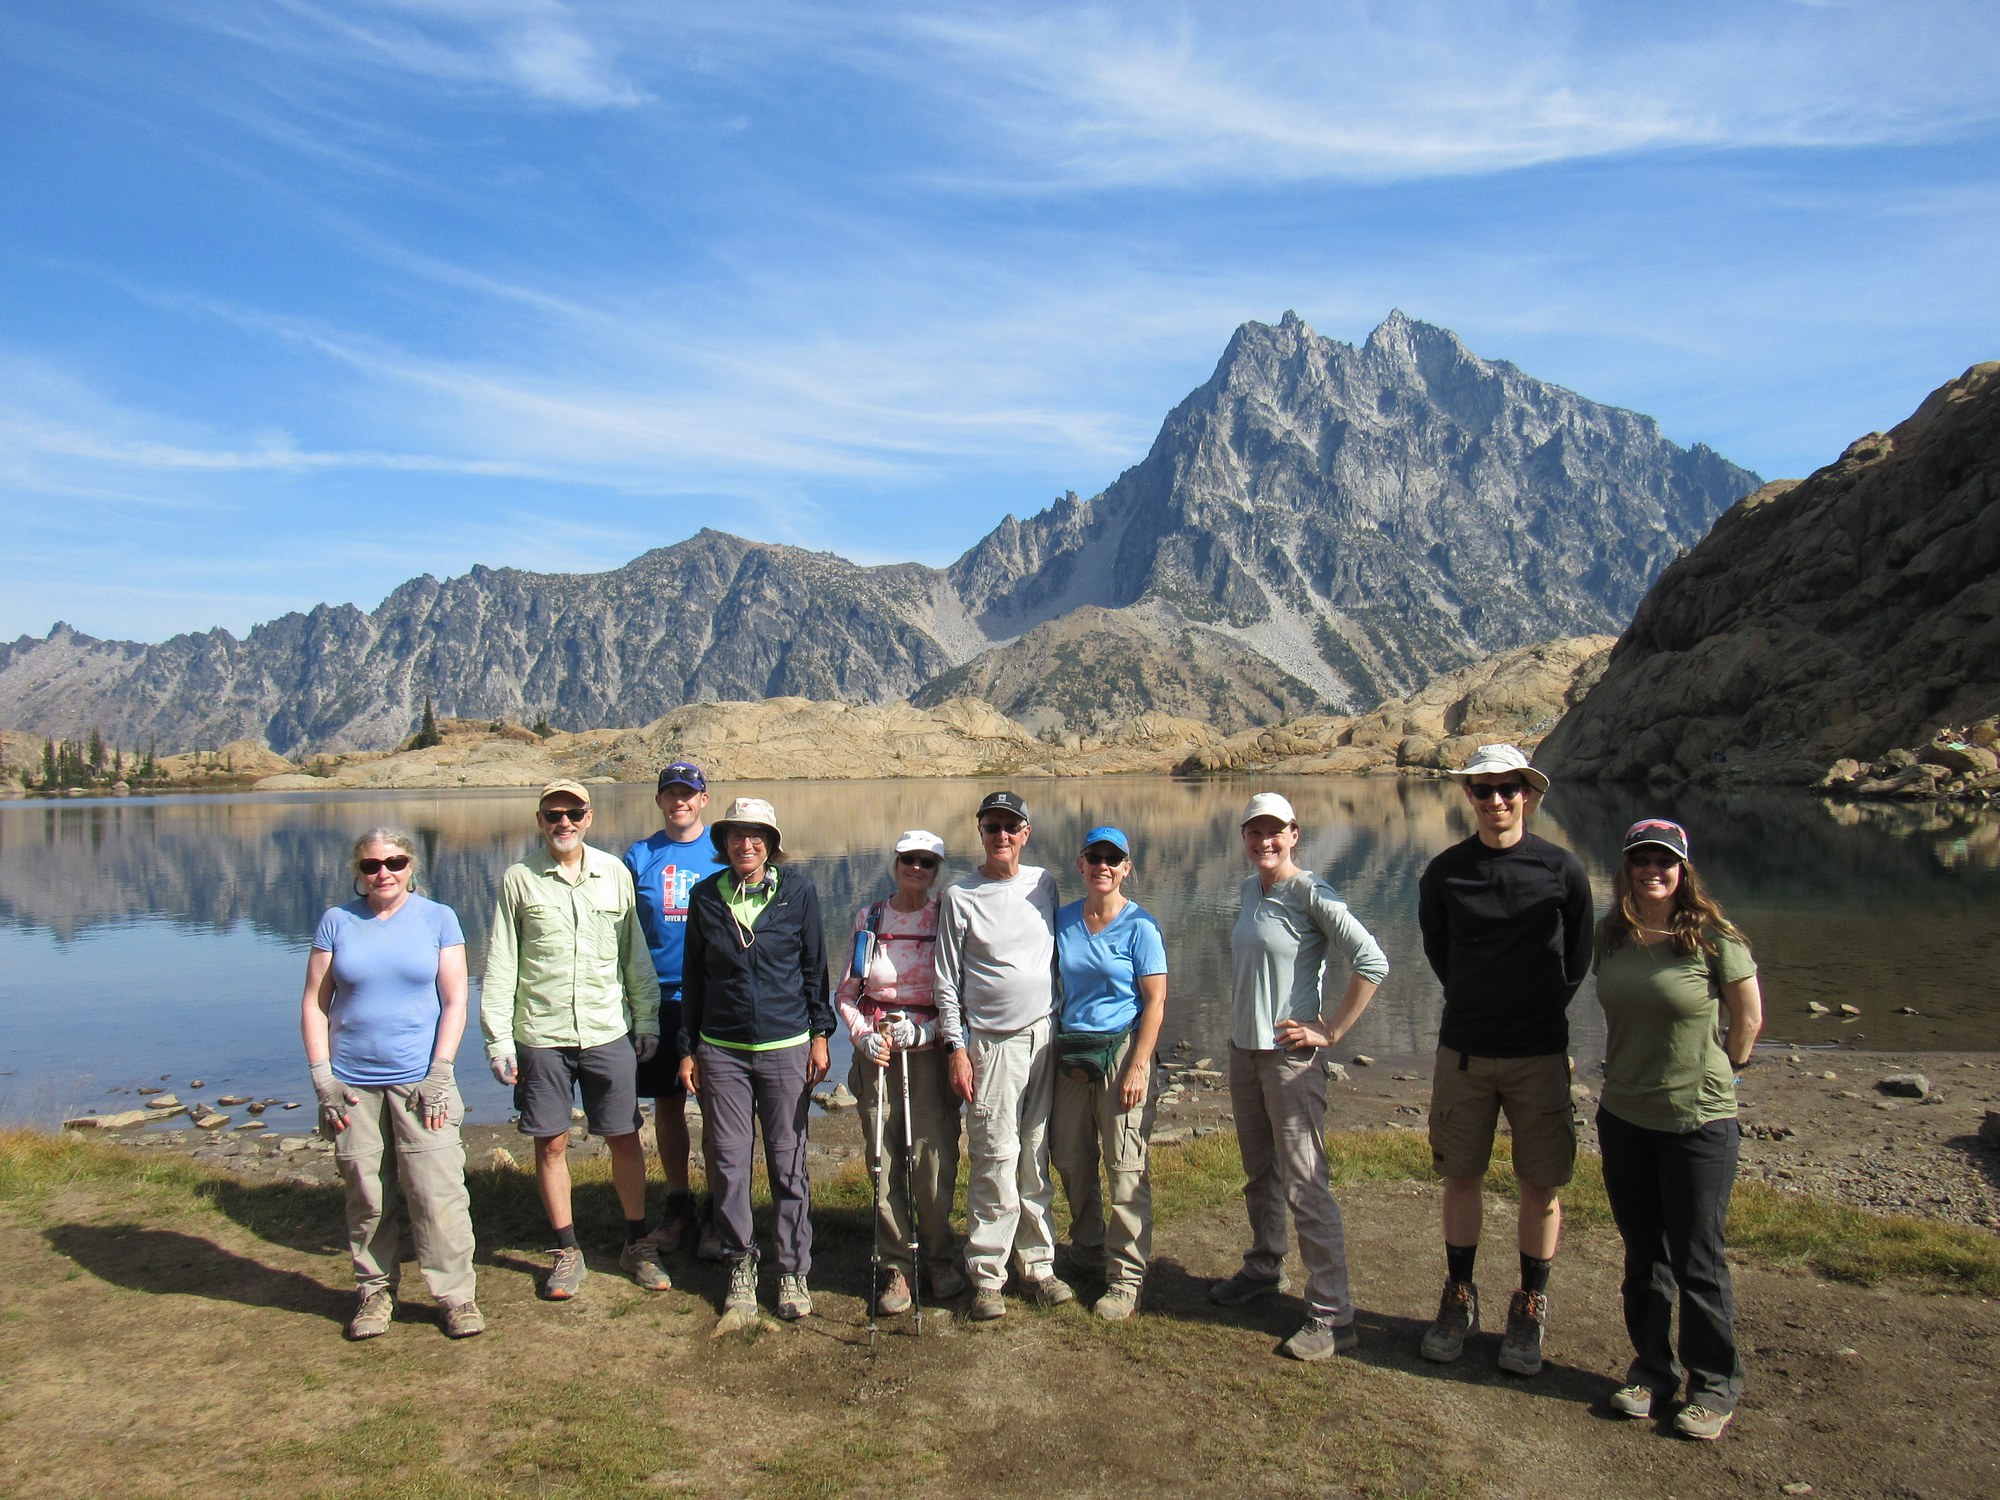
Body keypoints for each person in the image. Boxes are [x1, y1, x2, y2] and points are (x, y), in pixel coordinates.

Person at [1417, 743, 1594, 1376]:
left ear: (1528, 794)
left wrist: (1541, 1007)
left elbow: (1579, 956)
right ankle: (1460, 1293)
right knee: (1460, 1174)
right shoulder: (1444, 873)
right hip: (1465, 1049)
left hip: (1539, 1052)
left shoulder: (1562, 870)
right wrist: (1476, 999)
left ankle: (1530, 1302)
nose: (1496, 800)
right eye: (1484, 789)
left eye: (1508, 789)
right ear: (1469, 796)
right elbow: (1439, 951)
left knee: (1540, 1183)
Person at [1594, 819, 1763, 1441]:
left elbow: (1747, 1016)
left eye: (1664, 861)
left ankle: (1714, 1383)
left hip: (1699, 1121)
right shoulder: (1609, 936)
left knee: (1699, 1257)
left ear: (1683, 869)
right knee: (1644, 1256)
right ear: (1627, 868)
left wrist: (1727, 1076)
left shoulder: (1715, 938)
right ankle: (1651, 1371)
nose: (1652, 871)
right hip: (1626, 1115)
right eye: (1641, 860)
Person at [1209, 793, 1390, 1360]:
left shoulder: (1310, 892)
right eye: (1254, 832)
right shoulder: (1248, 889)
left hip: (1289, 1059)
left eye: (1275, 832)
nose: (1264, 842)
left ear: (1293, 835)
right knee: (1259, 1173)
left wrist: (1329, 1031)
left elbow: (1372, 960)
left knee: (1306, 1180)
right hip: (1245, 1052)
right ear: (1244, 838)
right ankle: (1265, 1265)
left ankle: (1333, 1314)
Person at [481, 780, 663, 1300]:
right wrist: (498, 1040)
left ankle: (636, 1243)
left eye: (574, 813)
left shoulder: (614, 875)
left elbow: (635, 955)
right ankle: (566, 1250)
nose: (564, 822)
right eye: (553, 814)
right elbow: (502, 963)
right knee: (551, 1140)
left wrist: (646, 1020)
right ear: (540, 820)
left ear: (589, 818)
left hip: (608, 1028)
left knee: (624, 1134)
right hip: (541, 1031)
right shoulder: (519, 880)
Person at [302, 828, 482, 1340]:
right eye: (371, 865)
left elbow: (455, 1000)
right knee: (366, 1193)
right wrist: (322, 1078)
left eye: (395, 862)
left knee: (437, 1191)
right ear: (357, 872)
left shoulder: (439, 918)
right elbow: (315, 1002)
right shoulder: (336, 922)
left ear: (412, 866)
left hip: (421, 1084)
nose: (383, 873)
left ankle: (455, 1296)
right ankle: (375, 1292)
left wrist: (440, 1072)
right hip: (352, 1087)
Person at [679, 797, 833, 1322]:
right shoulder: (705, 897)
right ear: (723, 843)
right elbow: (693, 979)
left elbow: (814, 967)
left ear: (772, 842)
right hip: (720, 1049)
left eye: (757, 835)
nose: (746, 844)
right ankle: (740, 1261)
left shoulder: (798, 892)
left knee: (789, 1161)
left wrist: (820, 1034)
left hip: (786, 1045)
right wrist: (688, 1049)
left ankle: (792, 1269)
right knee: (727, 1162)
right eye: (737, 835)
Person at [934, 789, 1068, 1321]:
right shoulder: (960, 896)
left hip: (1044, 1036)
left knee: (1036, 1152)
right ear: (981, 832)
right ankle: (987, 1273)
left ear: (1026, 833)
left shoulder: (1045, 884)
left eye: (1011, 827)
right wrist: (956, 1048)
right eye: (993, 827)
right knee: (994, 1154)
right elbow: (947, 981)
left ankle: (1038, 1265)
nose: (1002, 836)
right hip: (989, 1044)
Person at [836, 829, 967, 1315]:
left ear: (937, 871)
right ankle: (896, 1264)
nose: (917, 869)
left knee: (934, 1158)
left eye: (927, 863)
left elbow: (960, 994)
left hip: (928, 1053)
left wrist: (926, 1032)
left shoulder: (945, 920)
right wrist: (861, 1036)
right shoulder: (869, 918)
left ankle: (938, 1256)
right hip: (878, 1054)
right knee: (882, 1155)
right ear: (895, 864)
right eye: (909, 860)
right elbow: (847, 993)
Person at [1050, 825, 1168, 1322]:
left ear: (1126, 869)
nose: (1103, 866)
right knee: (1071, 1158)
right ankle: (1089, 1246)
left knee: (1124, 1166)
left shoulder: (1141, 927)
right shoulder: (1062, 920)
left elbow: (1155, 999)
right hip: (1073, 1054)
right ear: (1080, 864)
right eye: (1094, 857)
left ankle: (1126, 1277)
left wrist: (1139, 1065)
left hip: (1122, 1053)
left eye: (1112, 859)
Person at [623, 761, 728, 1256]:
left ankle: (717, 1207)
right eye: (671, 794)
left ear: (703, 799)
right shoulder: (640, 855)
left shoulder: (724, 852)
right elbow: (624, 933)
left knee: (715, 1107)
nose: (679, 801)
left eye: (688, 793)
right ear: (660, 801)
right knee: (667, 1103)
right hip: (659, 998)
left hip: (710, 997)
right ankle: (678, 1201)